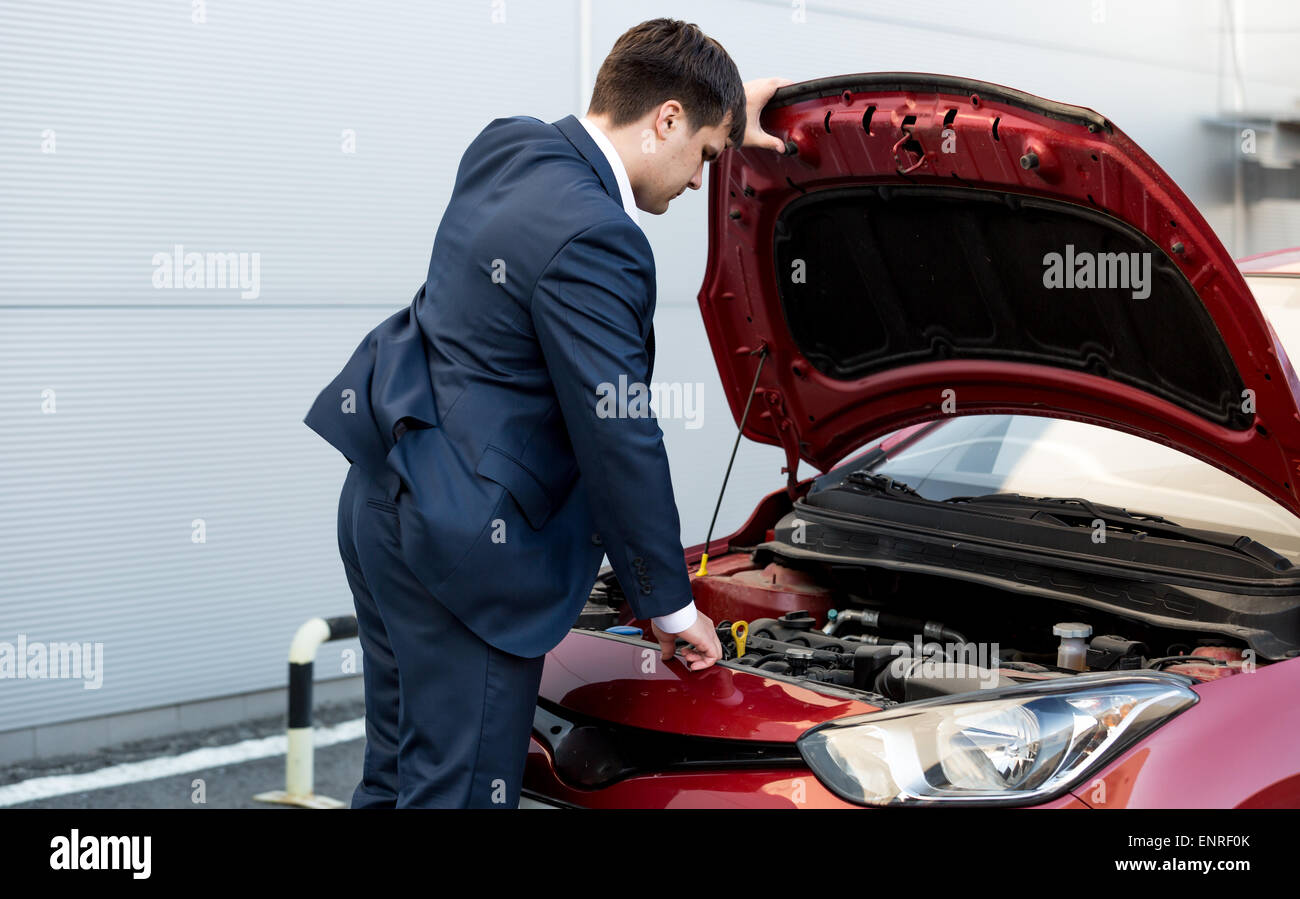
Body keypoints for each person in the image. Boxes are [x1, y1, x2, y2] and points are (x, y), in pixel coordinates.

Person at [303, 16, 789, 808]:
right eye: (703, 155)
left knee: (396, 779)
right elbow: (619, 431)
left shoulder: (509, 145)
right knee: (456, 794)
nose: (702, 181)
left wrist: (732, 104)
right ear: (665, 118)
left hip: (383, 498)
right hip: (468, 552)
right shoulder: (600, 239)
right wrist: (669, 604)